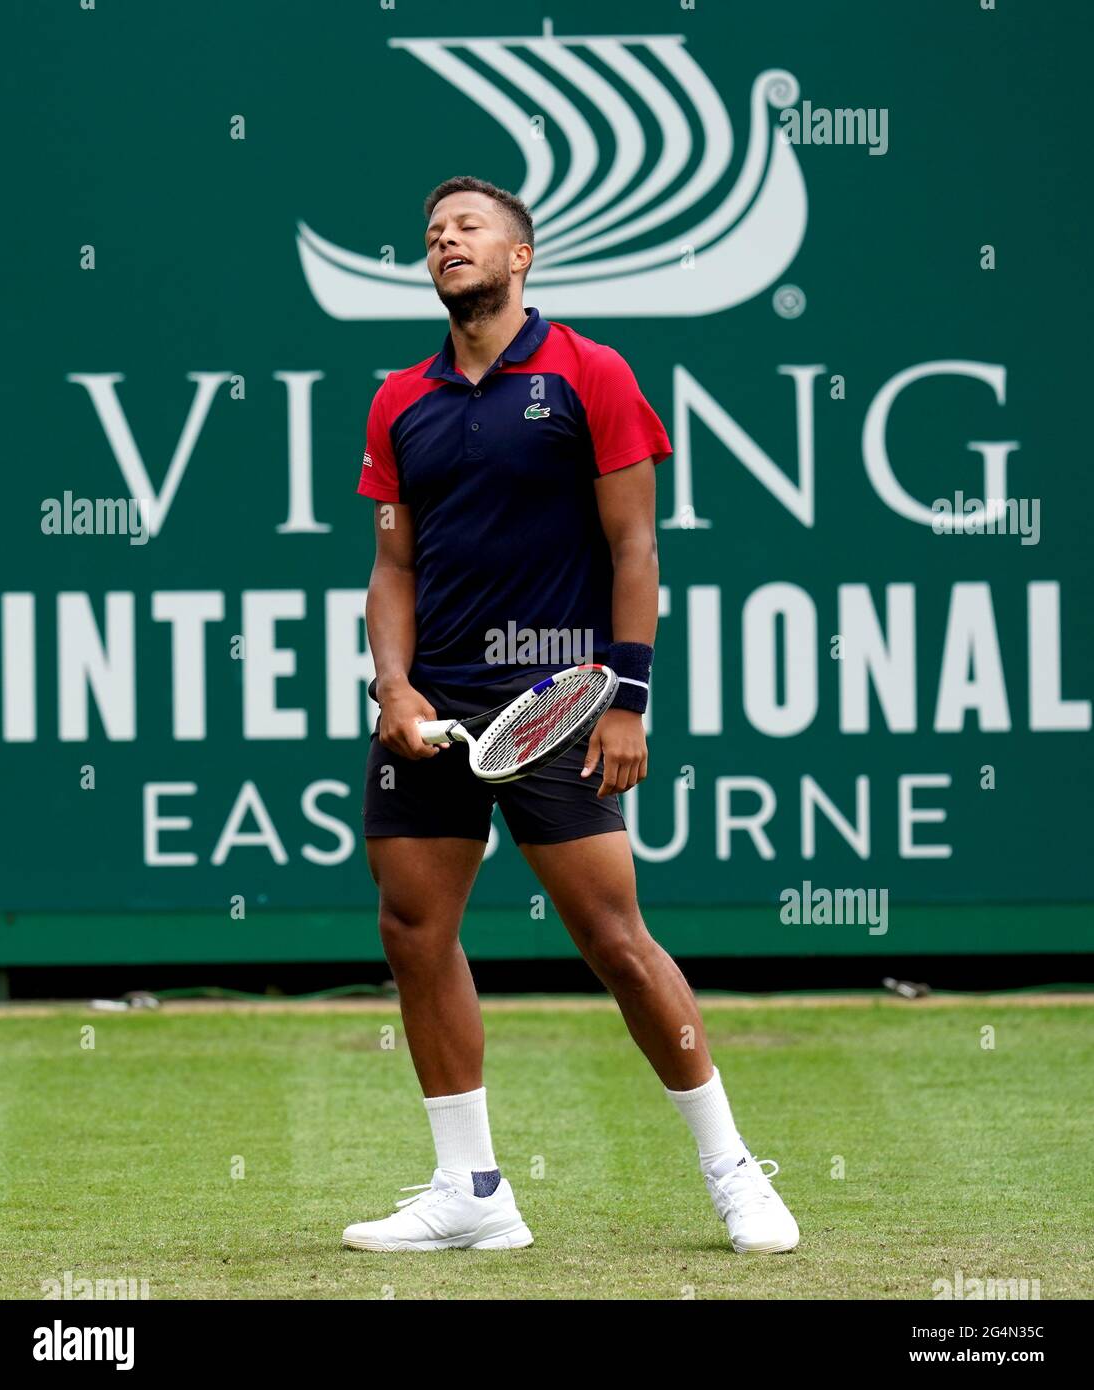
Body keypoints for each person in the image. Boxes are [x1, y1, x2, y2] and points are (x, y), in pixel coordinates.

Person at [342, 175, 798, 1255]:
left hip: (555, 698)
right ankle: (472, 1191)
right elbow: (392, 565)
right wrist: (393, 684)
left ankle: (734, 1172)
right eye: (432, 233)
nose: (445, 241)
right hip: (438, 702)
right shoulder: (398, 399)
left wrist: (625, 699)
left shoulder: (592, 372)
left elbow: (637, 548)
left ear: (521, 256)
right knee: (412, 930)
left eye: (468, 228)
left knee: (613, 939)